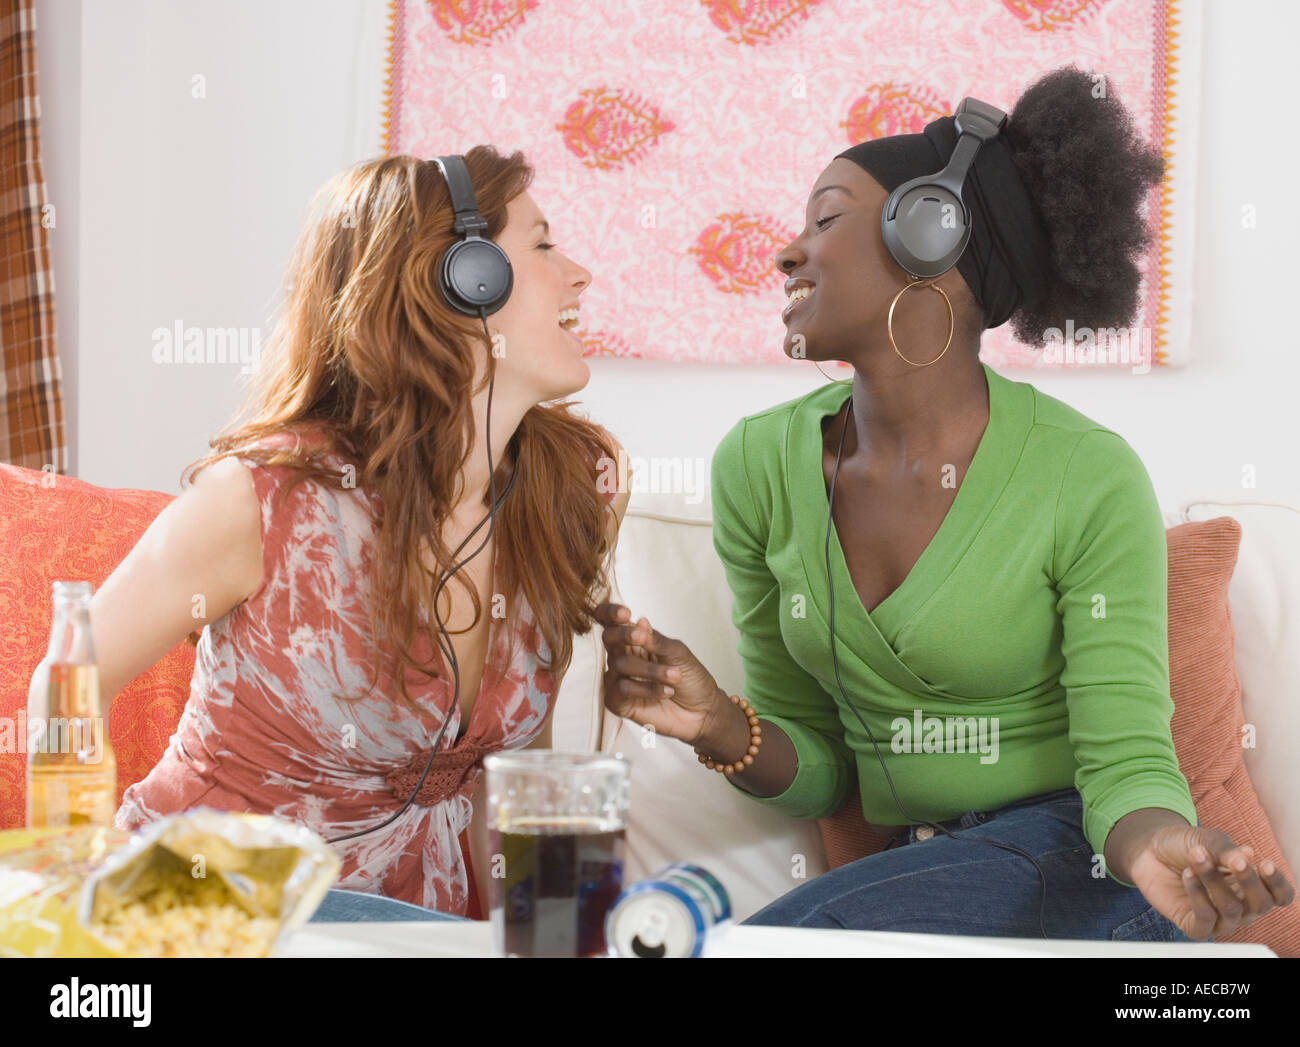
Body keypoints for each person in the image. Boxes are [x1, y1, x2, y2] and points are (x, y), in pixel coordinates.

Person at [595, 66, 1295, 941]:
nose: (786, 251)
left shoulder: (1087, 473)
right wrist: (715, 721)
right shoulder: (760, 465)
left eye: (825, 219)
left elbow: (1127, 761)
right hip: (917, 866)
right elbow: (819, 771)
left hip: (1071, 856)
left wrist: (1158, 846)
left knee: (764, 948)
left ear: (931, 232)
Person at [76, 147, 630, 917]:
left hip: (420, 931)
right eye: (542, 244)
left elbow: (514, 785)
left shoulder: (568, 493)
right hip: (225, 916)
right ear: (464, 278)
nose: (578, 274)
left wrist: (563, 926)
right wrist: (65, 875)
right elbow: (66, 680)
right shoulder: (264, 500)